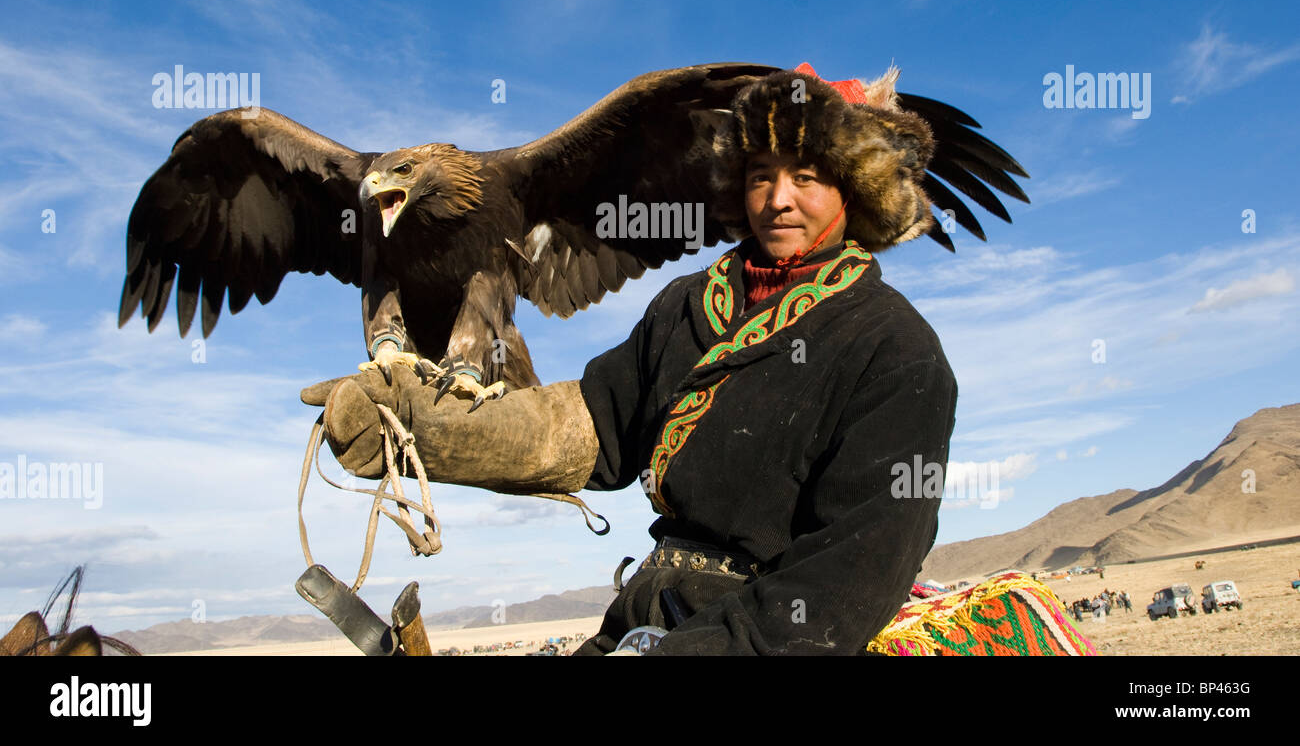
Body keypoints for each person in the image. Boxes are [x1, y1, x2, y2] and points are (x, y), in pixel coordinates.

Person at [307, 65, 958, 655]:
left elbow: (851, 573)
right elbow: (591, 428)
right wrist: (425, 426)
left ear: (853, 189)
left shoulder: (897, 351)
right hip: (643, 612)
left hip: (761, 634)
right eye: (761, 175)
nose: (778, 198)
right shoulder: (690, 304)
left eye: (807, 178)